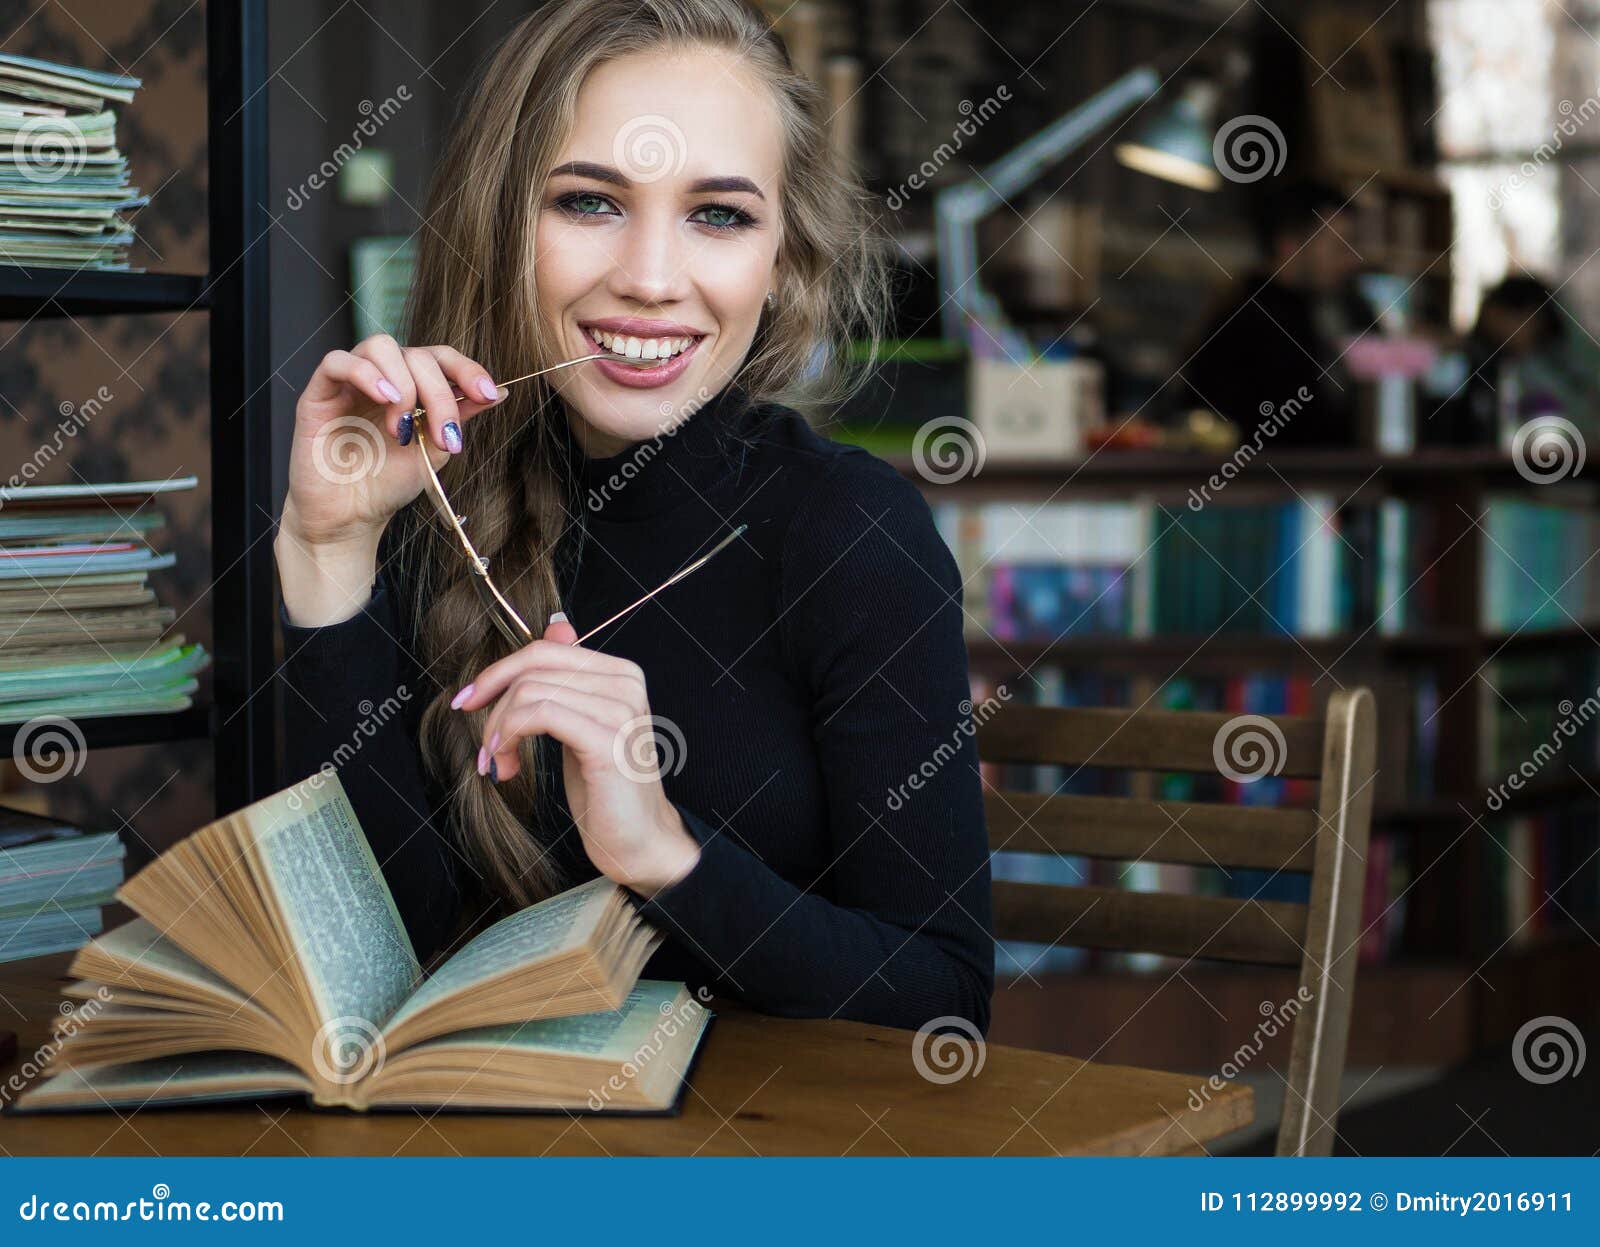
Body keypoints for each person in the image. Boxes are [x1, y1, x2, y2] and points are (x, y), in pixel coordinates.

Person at [273, 0, 993, 1034]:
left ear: (781, 259)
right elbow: (375, 970)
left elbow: (946, 1004)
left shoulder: (849, 532)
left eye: (719, 214)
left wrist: (663, 850)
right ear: (501, 221)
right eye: (590, 202)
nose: (651, 280)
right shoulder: (418, 495)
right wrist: (326, 551)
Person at [1180, 179, 1365, 448]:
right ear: (1289, 245)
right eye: (1339, 246)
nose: (1351, 260)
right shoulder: (1243, 321)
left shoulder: (1345, 308)